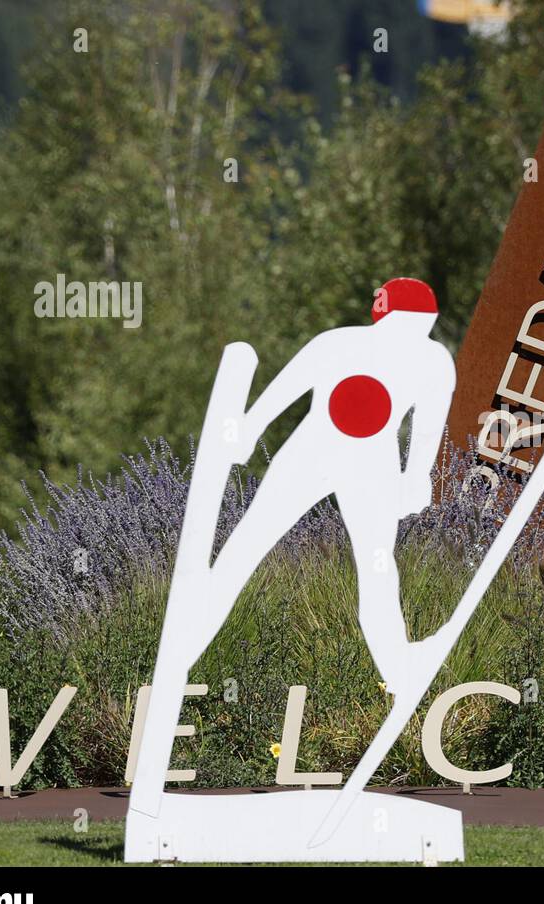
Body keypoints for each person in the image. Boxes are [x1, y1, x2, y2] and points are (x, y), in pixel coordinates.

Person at [130, 278, 455, 820]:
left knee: (374, 569)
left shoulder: (426, 360)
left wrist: (415, 477)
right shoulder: (348, 345)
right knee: (248, 553)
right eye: (405, 324)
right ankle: (183, 651)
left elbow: (428, 427)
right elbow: (287, 389)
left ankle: (400, 668)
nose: (409, 333)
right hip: (313, 453)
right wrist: (247, 428)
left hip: (366, 465)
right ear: (392, 320)